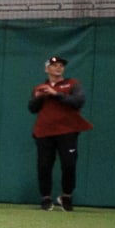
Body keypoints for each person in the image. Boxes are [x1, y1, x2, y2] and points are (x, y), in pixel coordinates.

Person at [28, 55, 90, 212]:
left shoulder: (73, 84)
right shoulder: (39, 88)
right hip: (44, 132)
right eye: (54, 65)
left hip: (67, 131)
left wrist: (55, 94)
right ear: (47, 69)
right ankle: (46, 198)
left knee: (69, 164)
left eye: (61, 65)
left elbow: (78, 101)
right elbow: (32, 108)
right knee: (44, 165)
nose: (58, 68)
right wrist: (40, 97)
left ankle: (66, 196)